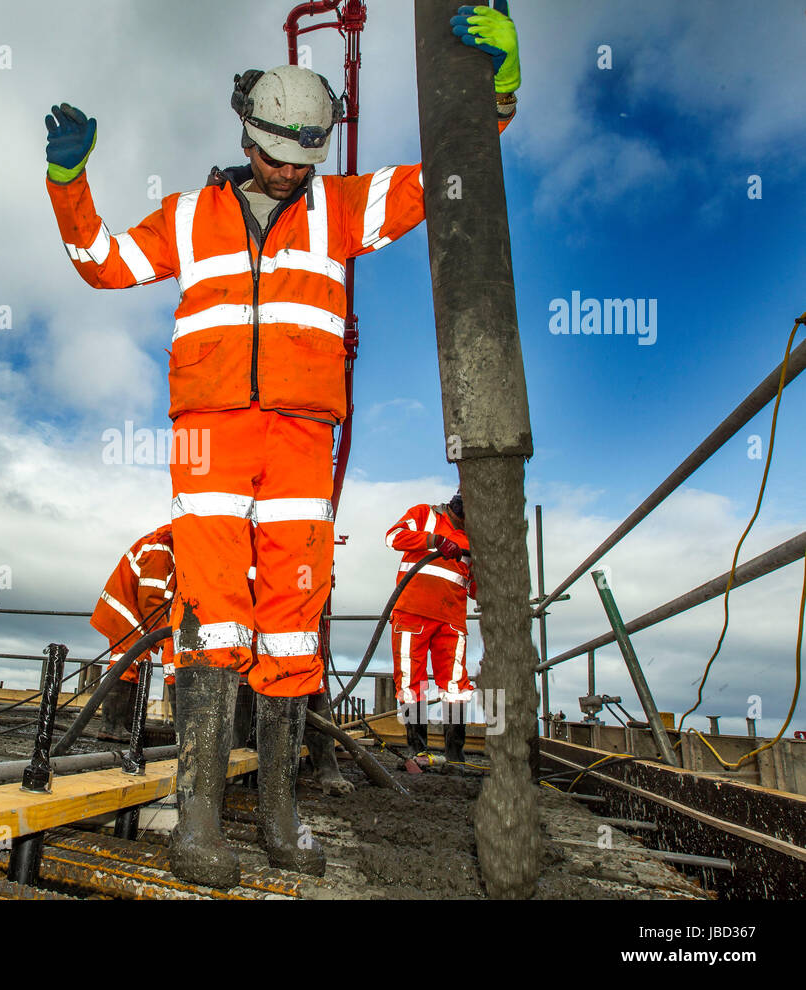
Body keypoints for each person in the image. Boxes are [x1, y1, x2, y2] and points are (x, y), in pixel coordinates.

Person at [45, 5, 521, 888]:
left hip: (302, 437)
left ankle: (277, 815)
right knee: (211, 618)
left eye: (304, 159)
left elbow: (447, 176)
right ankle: (197, 827)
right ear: (247, 134)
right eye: (274, 155)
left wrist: (494, 97)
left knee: (293, 631)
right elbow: (102, 260)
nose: (289, 173)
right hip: (211, 437)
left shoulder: (340, 206)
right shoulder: (190, 216)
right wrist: (68, 181)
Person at [385, 491, 476, 766]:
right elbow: (393, 538)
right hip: (411, 614)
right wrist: (435, 541)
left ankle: (455, 755)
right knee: (411, 683)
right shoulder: (425, 515)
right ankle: (418, 751)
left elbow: (475, 590)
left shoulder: (476, 541)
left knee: (455, 687)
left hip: (451, 621)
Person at [88, 525, 176, 740]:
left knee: (136, 660)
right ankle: (111, 727)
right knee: (126, 661)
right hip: (126, 612)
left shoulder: (168, 548)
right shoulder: (160, 550)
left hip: (132, 612)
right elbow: (151, 601)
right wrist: (164, 638)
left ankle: (125, 727)